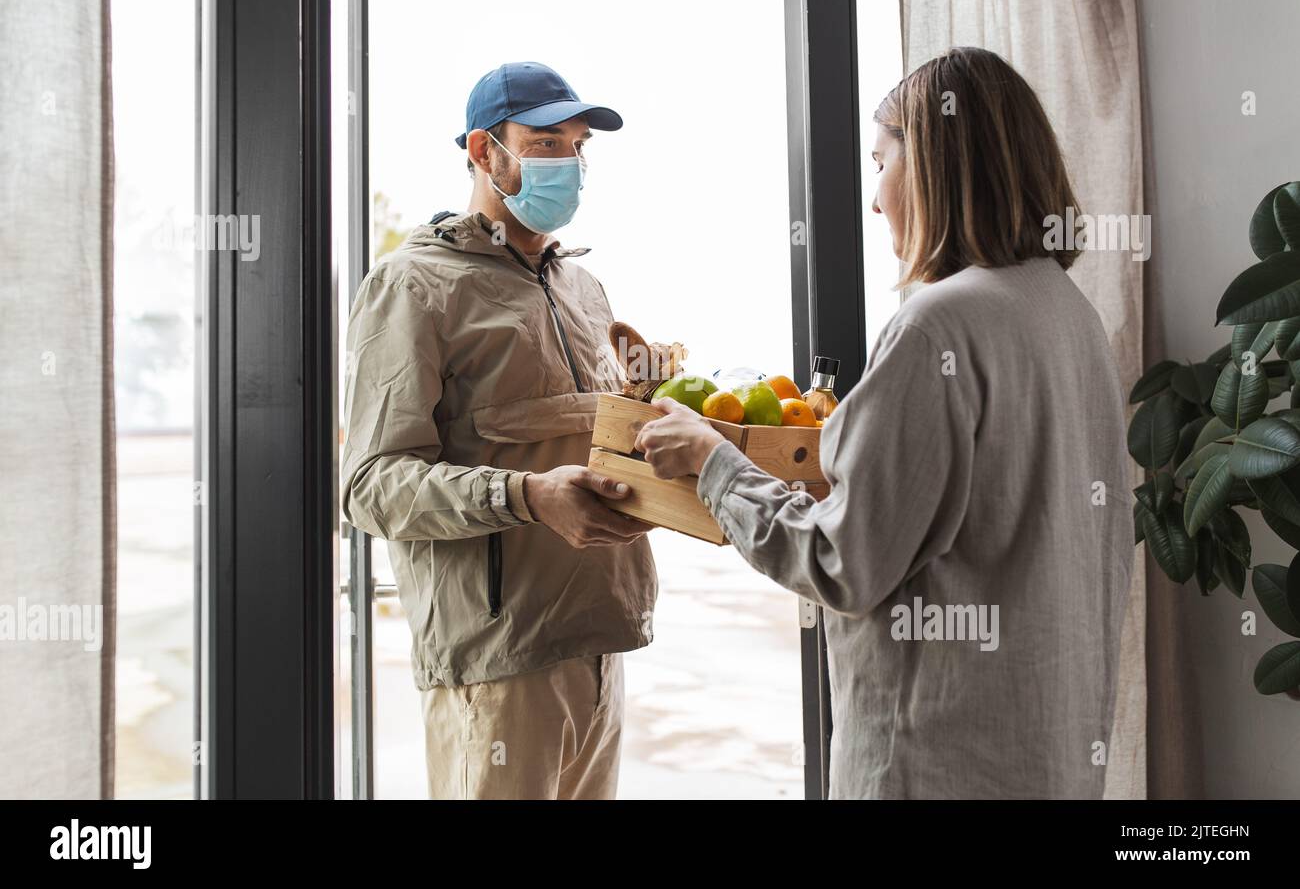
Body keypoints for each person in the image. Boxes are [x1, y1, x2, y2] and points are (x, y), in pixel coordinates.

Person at [636, 47, 1133, 799]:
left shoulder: (939, 325)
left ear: (936, 163)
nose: (875, 199)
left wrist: (714, 463)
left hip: (935, 764)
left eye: (880, 162)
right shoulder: (1071, 315)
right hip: (1049, 759)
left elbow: (844, 561)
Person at [340, 62, 656, 799]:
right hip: (498, 666)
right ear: (485, 153)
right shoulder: (413, 285)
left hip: (601, 642)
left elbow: (588, 438)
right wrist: (527, 496)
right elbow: (370, 488)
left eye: (579, 147)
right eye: (546, 143)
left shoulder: (584, 288)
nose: (570, 164)